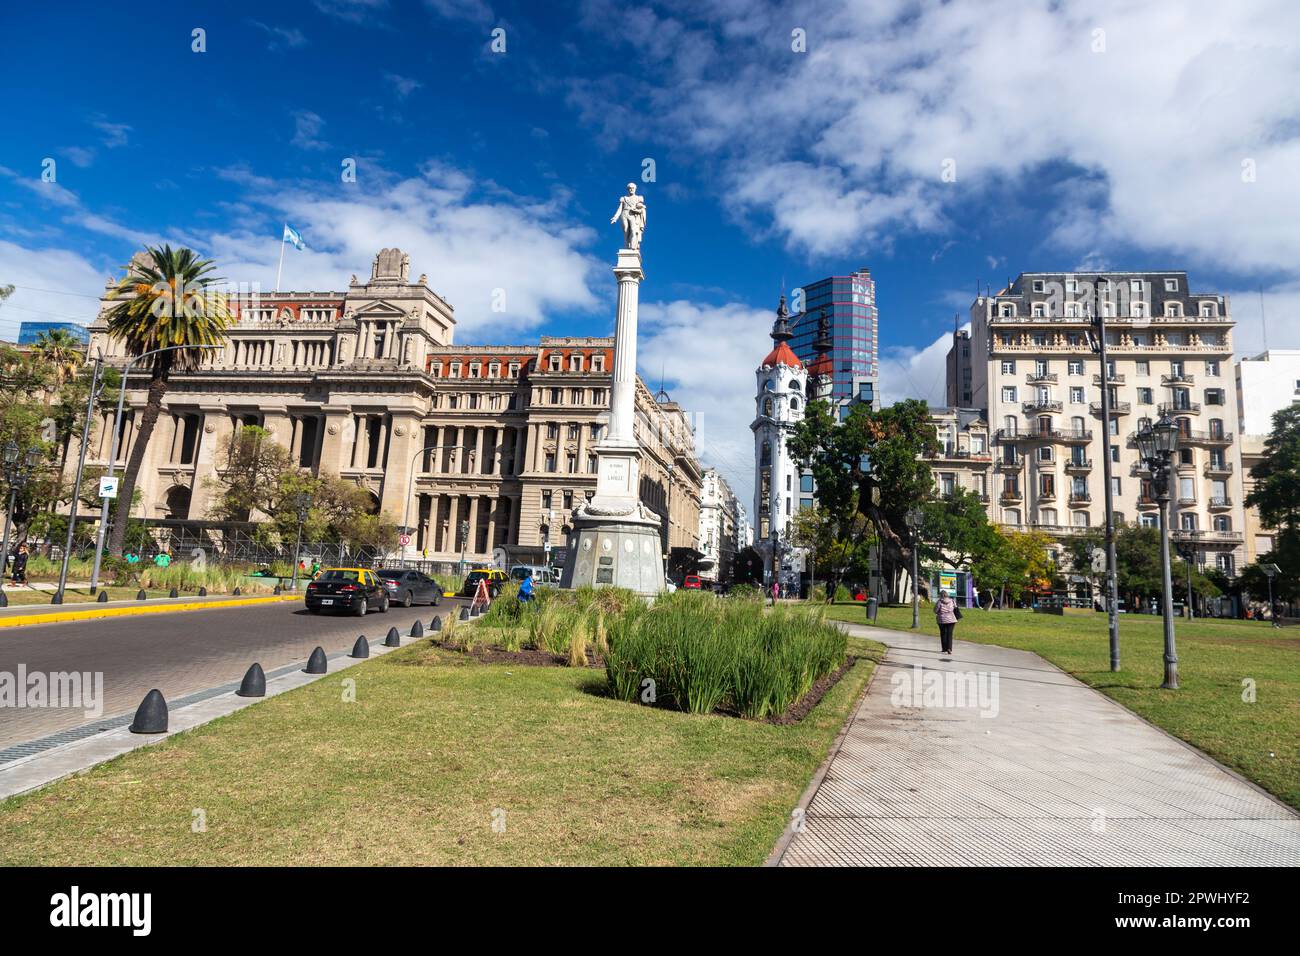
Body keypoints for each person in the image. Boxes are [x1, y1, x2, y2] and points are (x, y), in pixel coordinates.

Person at [934, 590, 959, 656]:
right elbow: (955, 608)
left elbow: (935, 610)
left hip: (942, 620)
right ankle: (949, 648)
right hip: (952, 619)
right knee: (949, 634)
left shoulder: (939, 602)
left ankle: (944, 648)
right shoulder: (952, 601)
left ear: (941, 595)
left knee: (943, 633)